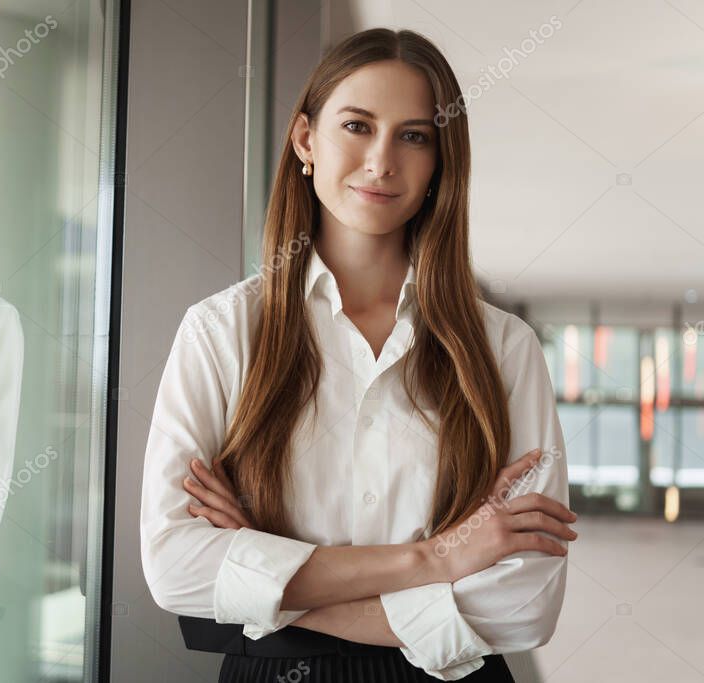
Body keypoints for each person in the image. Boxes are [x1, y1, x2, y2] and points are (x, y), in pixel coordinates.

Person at [139, 27, 578, 682]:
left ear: (439, 162)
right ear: (305, 140)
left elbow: (524, 604)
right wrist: (436, 559)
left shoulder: (505, 349)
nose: (381, 161)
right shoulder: (220, 332)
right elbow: (175, 566)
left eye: (413, 135)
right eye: (357, 125)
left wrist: (268, 579)